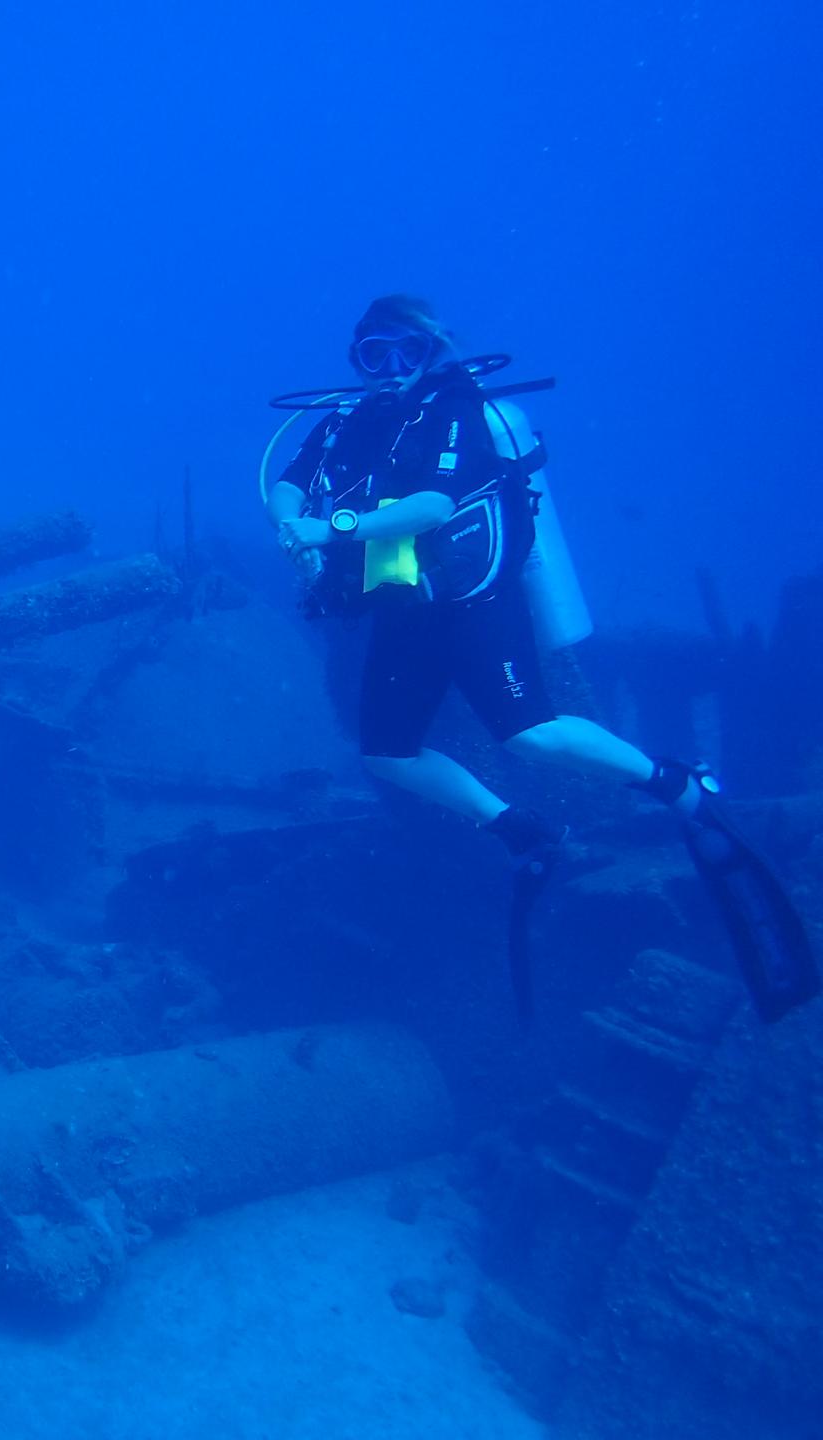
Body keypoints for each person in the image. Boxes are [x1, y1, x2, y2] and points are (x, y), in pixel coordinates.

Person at [265, 294, 815, 1020]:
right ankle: (520, 829)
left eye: (411, 352)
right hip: (404, 606)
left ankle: (677, 784)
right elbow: (289, 478)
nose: (394, 369)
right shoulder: (346, 419)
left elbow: (430, 507)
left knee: (531, 733)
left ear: (435, 354)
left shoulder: (455, 410)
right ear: (357, 359)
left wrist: (330, 527)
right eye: (376, 355)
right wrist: (288, 524)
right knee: (387, 755)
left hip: (475, 603)